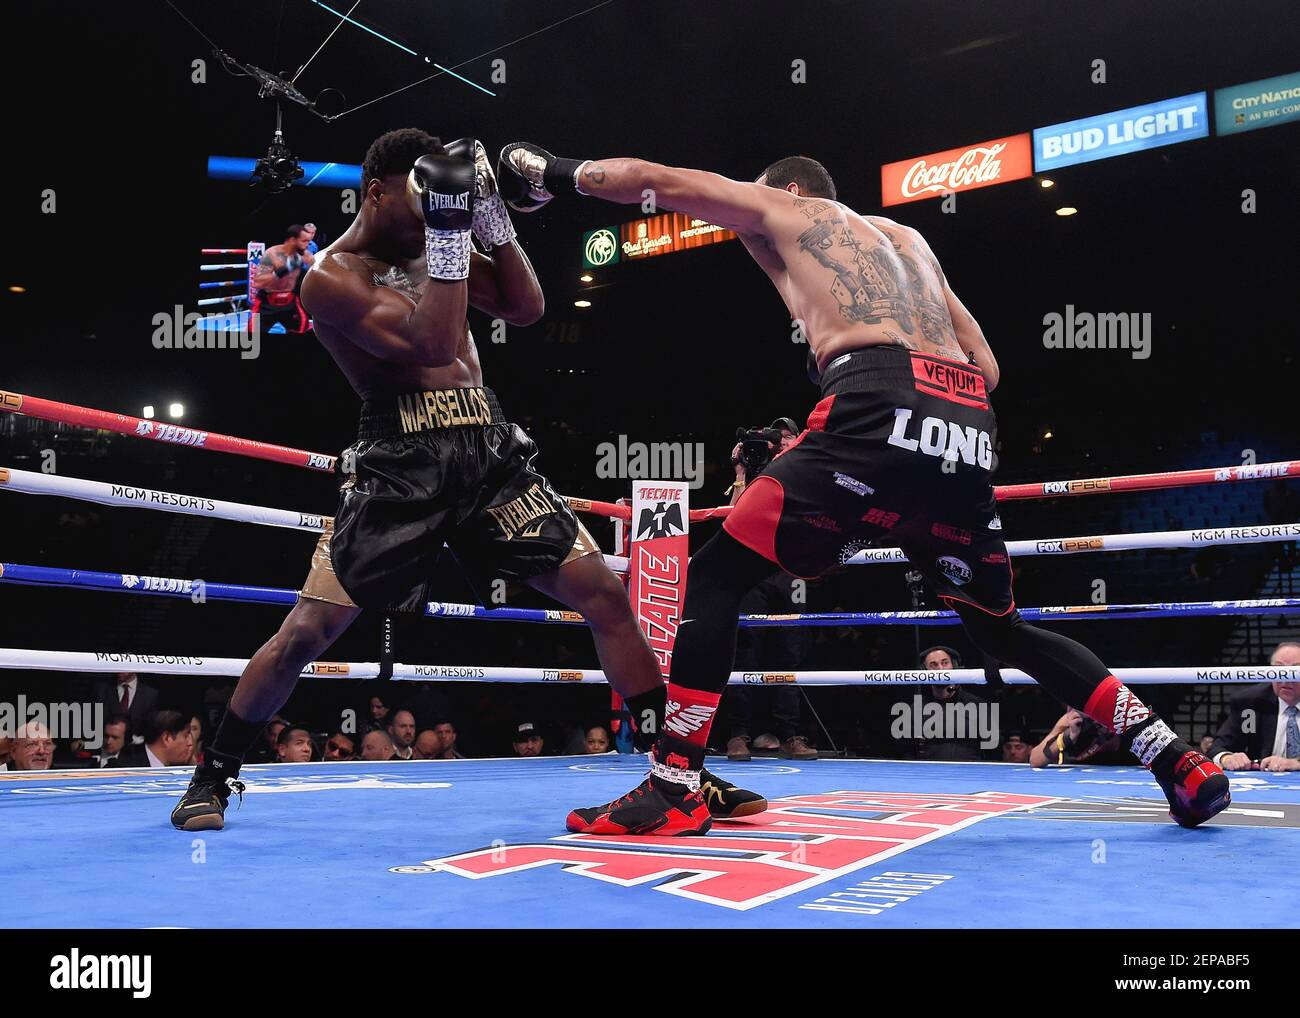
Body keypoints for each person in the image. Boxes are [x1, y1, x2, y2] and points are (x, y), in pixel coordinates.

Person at [497, 142, 1229, 832]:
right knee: (998, 629)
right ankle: (1175, 757)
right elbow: (987, 367)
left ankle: (675, 784)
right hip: (966, 425)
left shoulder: (790, 211)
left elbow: (662, 180)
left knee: (716, 577)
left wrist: (549, 171)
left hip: (876, 407)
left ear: (785, 190)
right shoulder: (912, 243)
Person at [170, 128, 761, 832]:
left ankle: (677, 771)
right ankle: (213, 773)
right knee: (310, 631)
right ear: (380, 190)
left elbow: (525, 308)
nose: (428, 216)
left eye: (438, 203)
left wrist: (491, 221)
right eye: (421, 201)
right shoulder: (330, 275)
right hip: (399, 464)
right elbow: (432, 343)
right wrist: (451, 233)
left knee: (602, 591)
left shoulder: (433, 243)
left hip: (486, 452)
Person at [1209, 641, 1300, 772]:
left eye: (1294, 671)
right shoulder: (1252, 704)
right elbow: (1218, 748)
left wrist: (1296, 763)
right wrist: (1227, 758)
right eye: (1278, 670)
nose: (1285, 679)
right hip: (1266, 785)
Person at [250, 225, 313, 333]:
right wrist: (282, 270)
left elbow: (317, 272)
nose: (308, 244)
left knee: (302, 330)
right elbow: (257, 282)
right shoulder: (272, 254)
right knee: (252, 335)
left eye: (309, 241)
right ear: (293, 240)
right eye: (304, 241)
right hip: (266, 304)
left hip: (291, 303)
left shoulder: (305, 255)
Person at [108, 711, 194, 768]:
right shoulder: (122, 768)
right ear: (167, 738)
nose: (190, 743)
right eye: (186, 736)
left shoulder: (183, 769)